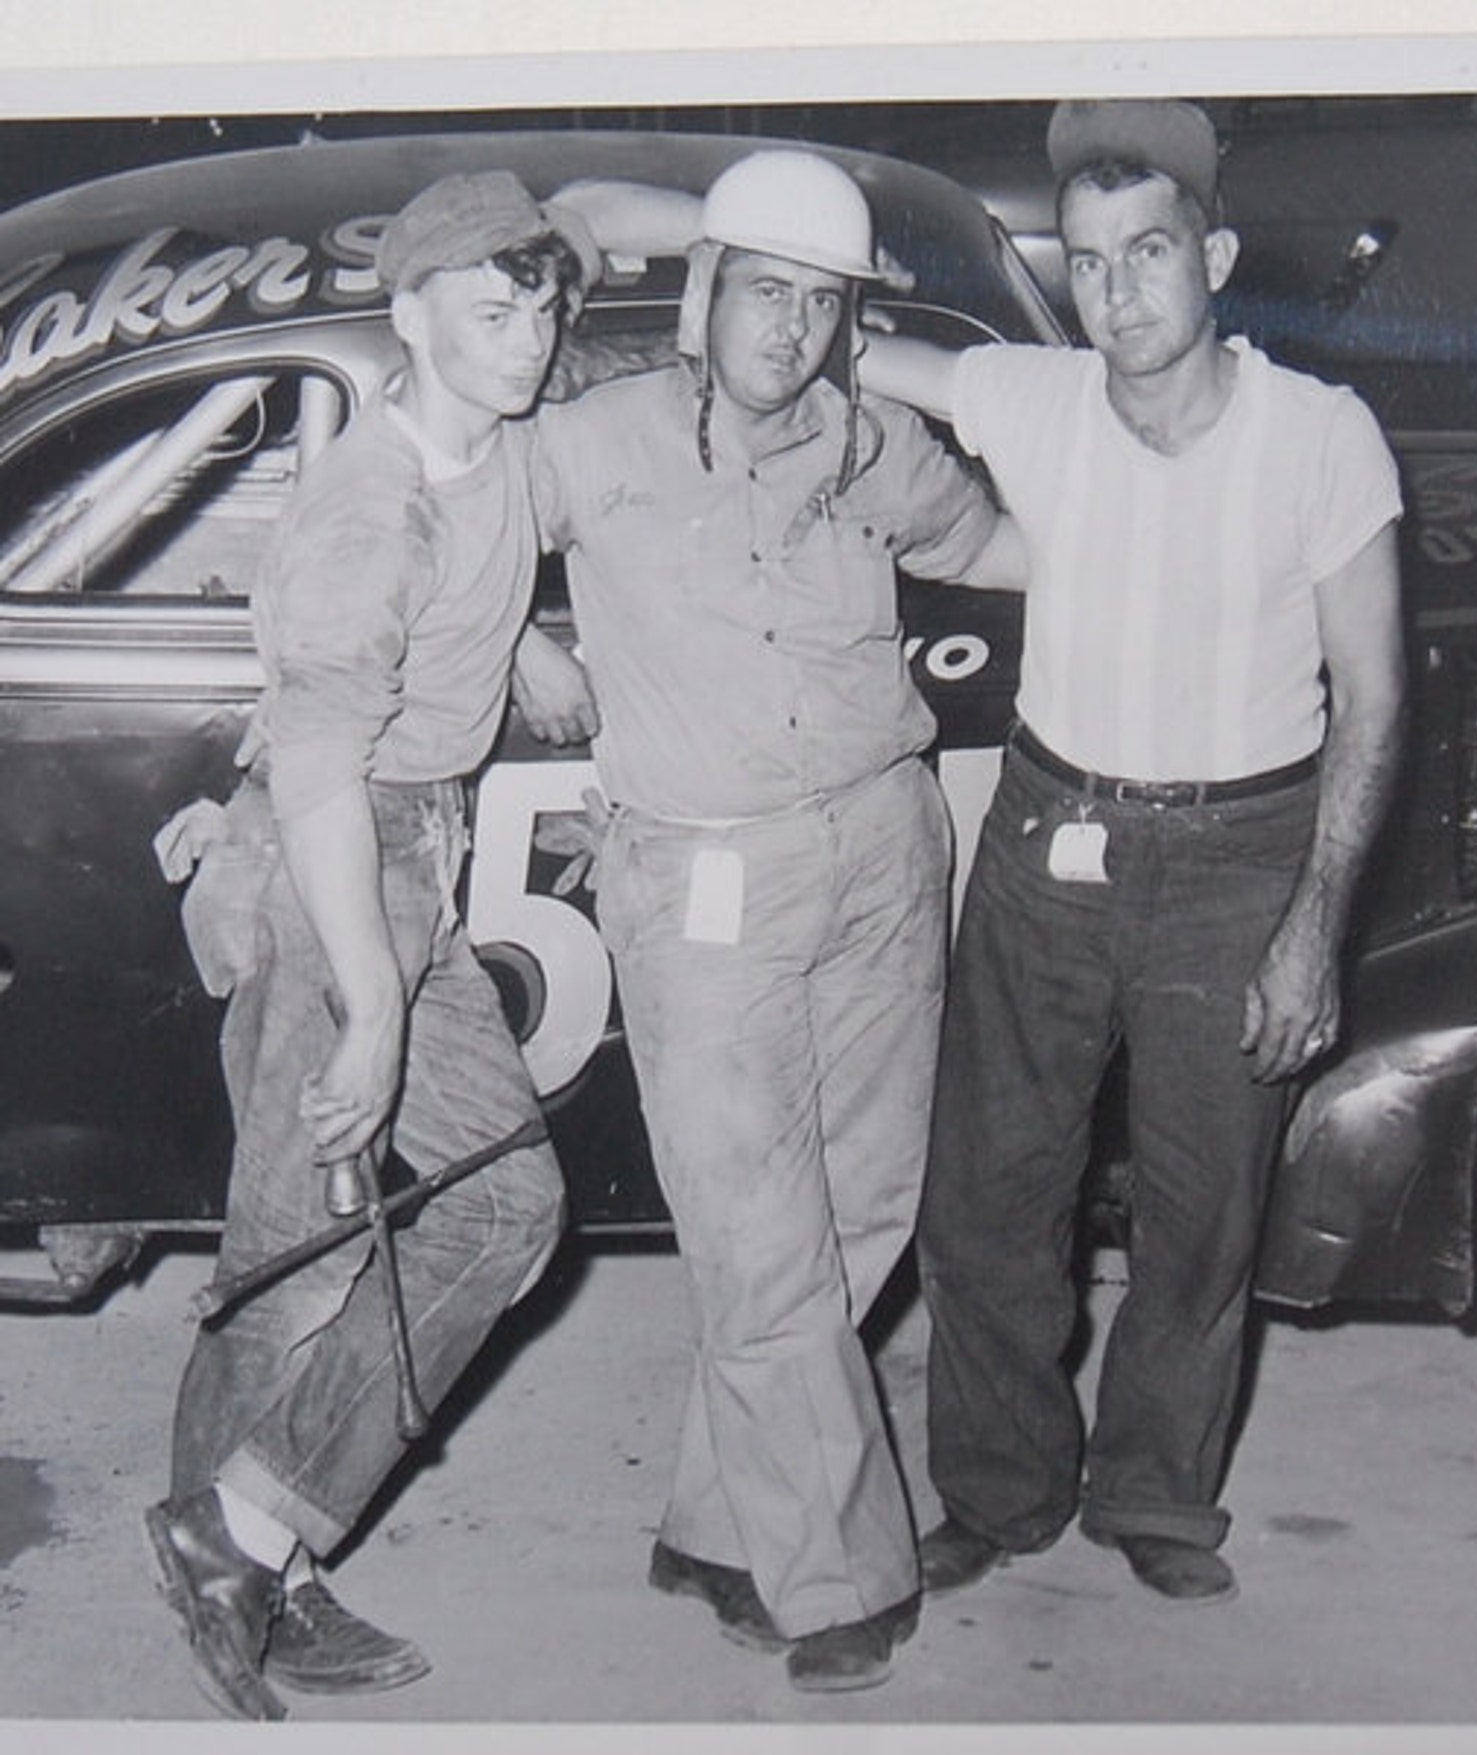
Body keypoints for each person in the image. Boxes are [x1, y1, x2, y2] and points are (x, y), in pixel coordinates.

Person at [861, 99, 1406, 1606]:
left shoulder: (1321, 437)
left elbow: (1374, 702)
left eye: (1148, 252)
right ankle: (998, 1487)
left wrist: (1312, 927)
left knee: (1202, 1205)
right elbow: (835, 341)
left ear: (1213, 256)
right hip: (1051, 832)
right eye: (1087, 261)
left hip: (1243, 851)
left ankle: (1155, 1495)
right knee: (986, 1197)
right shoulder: (1029, 397)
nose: (1117, 292)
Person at [516, 150, 1021, 1692]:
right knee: (758, 1239)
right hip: (705, 877)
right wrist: (518, 637)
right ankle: (837, 1575)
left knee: (863, 1203)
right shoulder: (588, 443)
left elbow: (998, 550)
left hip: (884, 845)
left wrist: (1189, 581)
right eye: (763, 291)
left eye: (822, 302)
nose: (791, 330)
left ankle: (716, 1523)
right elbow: (546, 241)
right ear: (703, 299)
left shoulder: (875, 447)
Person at [145, 170, 600, 1720]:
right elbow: (329, 776)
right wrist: (374, 1012)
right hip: (340, 867)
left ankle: (248, 1531)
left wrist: (515, 632)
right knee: (299, 1257)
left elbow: (586, 226)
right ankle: (242, 1559)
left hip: (406, 846)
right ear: (408, 318)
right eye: (493, 310)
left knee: (502, 1208)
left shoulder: (491, 439)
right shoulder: (367, 514)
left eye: (543, 305)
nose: (530, 337)